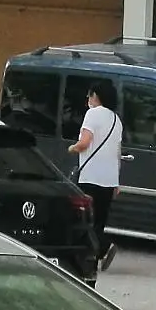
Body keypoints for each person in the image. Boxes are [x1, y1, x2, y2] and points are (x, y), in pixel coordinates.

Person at [69, 84, 122, 273]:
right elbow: (117, 153)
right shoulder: (117, 120)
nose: (88, 99)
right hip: (109, 179)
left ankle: (103, 248)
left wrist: (73, 148)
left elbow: (84, 143)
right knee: (99, 220)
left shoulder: (92, 114)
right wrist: (116, 182)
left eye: (89, 95)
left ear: (96, 96)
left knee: (83, 219)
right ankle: (95, 253)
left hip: (90, 177)